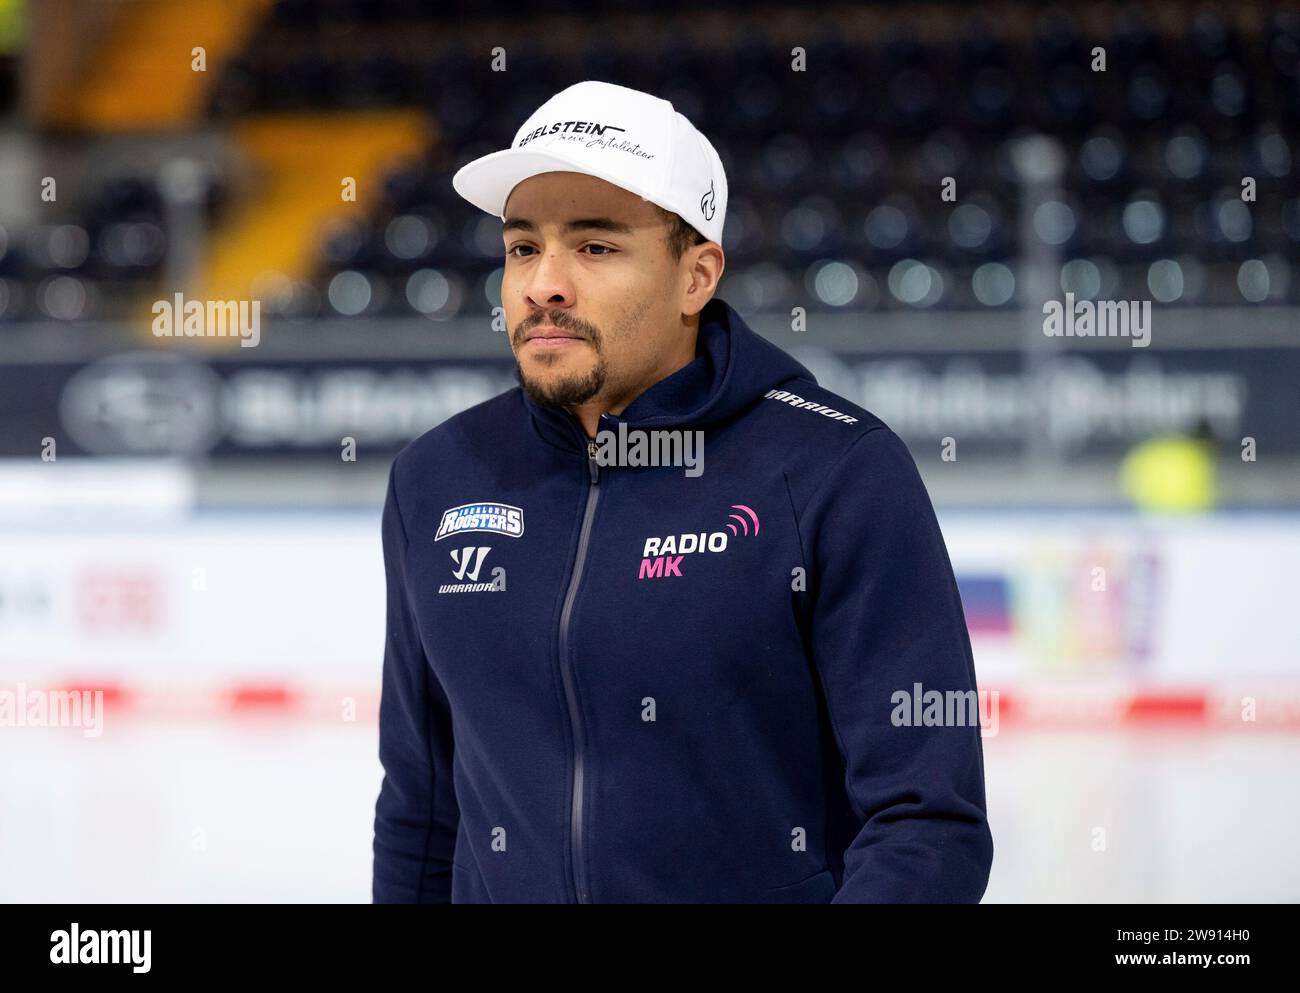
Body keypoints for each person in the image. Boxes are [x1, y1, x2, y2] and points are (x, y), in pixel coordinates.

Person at [372, 80, 993, 903]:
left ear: (696, 276)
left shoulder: (837, 472)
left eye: (594, 248)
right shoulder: (436, 479)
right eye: (523, 248)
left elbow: (927, 823)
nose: (542, 285)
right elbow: (420, 810)